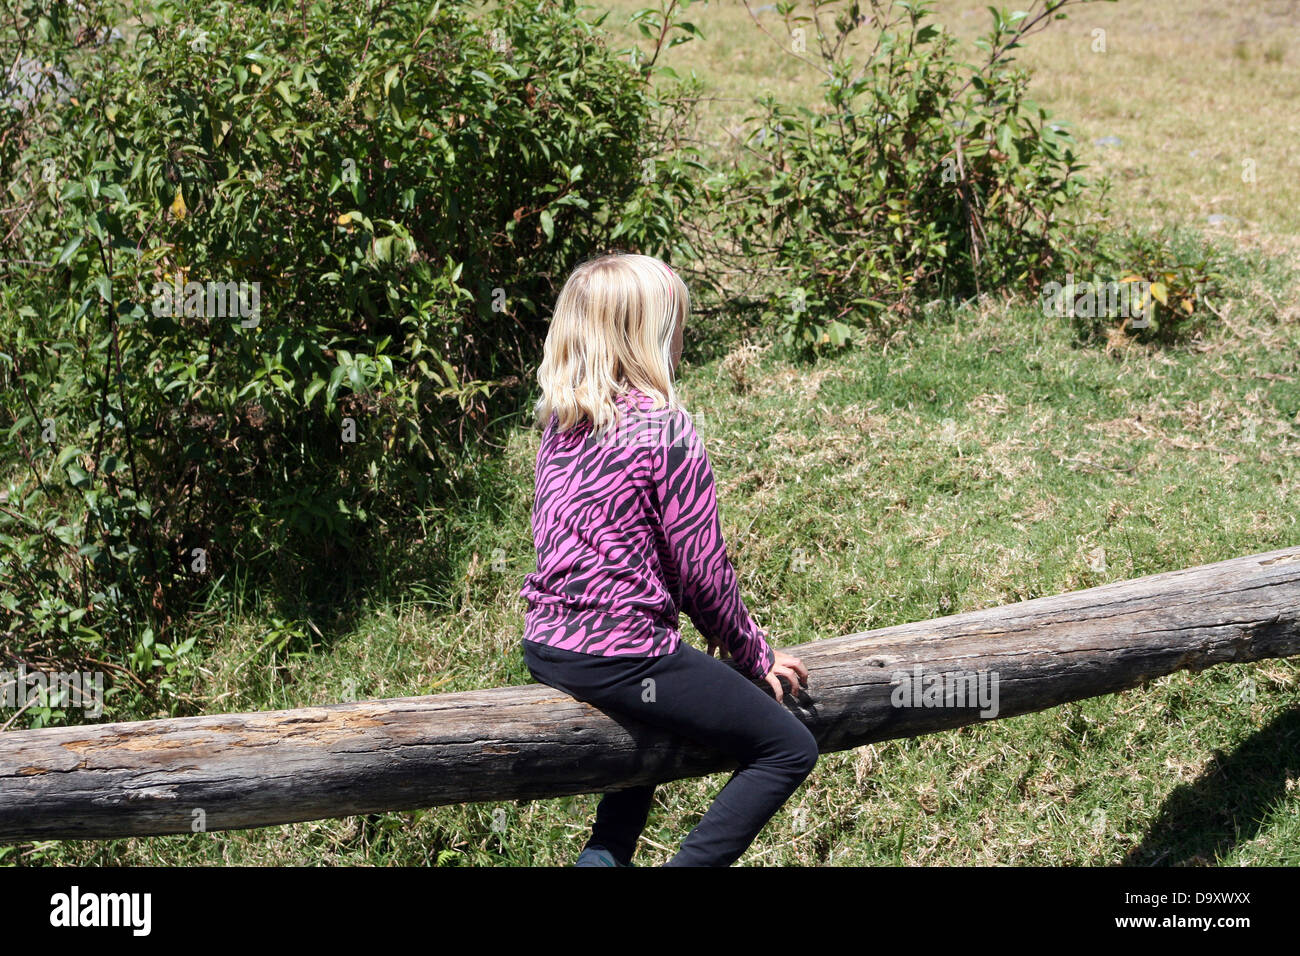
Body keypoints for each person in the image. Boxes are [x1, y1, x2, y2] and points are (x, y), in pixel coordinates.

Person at [519, 251, 819, 867]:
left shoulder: (561, 423)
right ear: (647, 335)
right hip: (622, 654)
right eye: (676, 324)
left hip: (549, 647)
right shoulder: (665, 429)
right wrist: (753, 652)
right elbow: (703, 570)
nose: (683, 338)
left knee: (644, 749)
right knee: (787, 748)